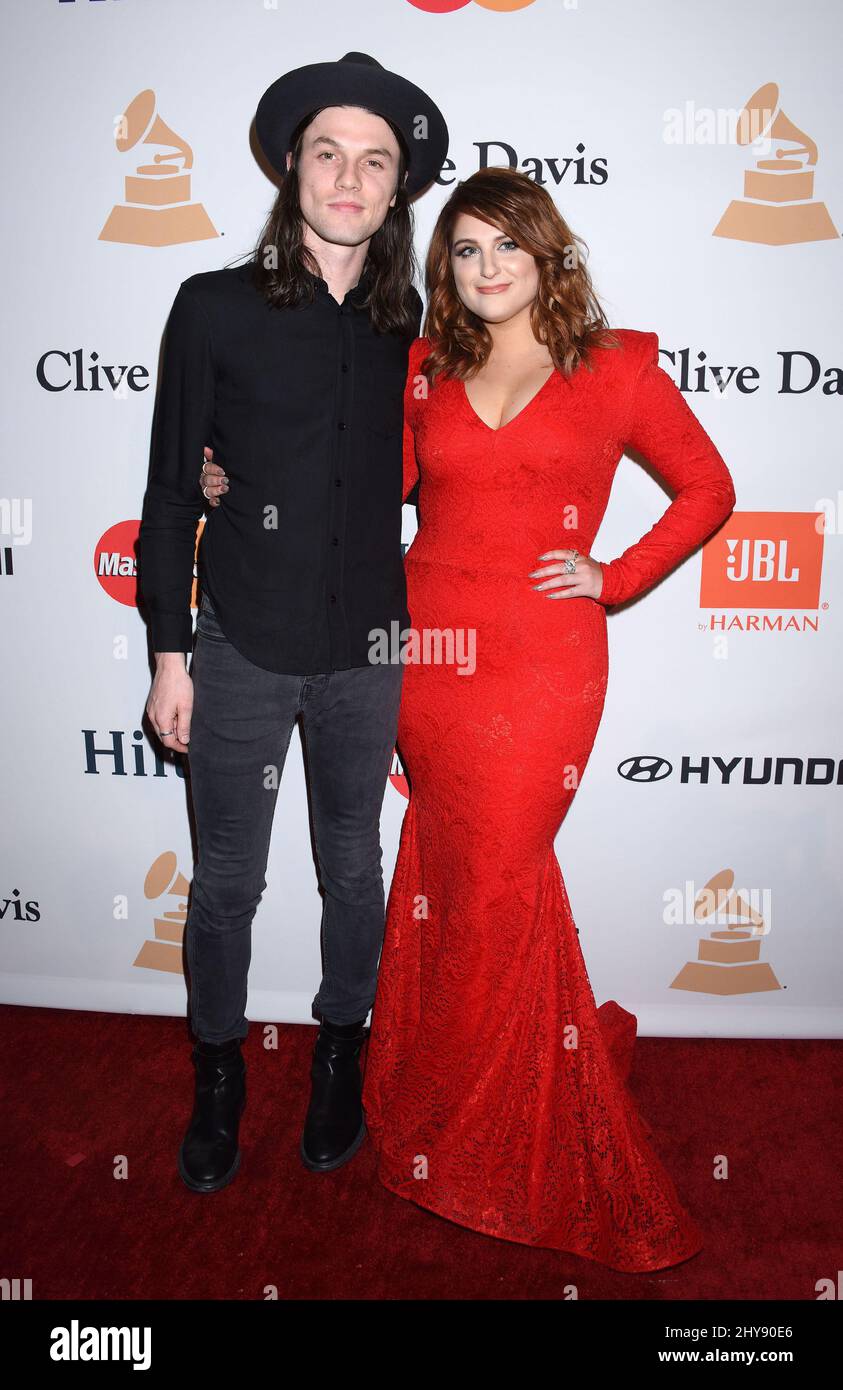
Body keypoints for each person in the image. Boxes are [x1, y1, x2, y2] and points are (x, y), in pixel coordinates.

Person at [209, 165, 737, 1271]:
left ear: (548, 253)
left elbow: (708, 488)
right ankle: (434, 1078)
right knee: (445, 867)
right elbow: (359, 489)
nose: (486, 267)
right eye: (464, 250)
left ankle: (496, 1118)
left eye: (507, 246)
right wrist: (237, 476)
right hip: (428, 651)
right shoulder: (422, 369)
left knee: (498, 872)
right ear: (444, 267)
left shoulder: (620, 363)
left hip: (543, 664)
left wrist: (615, 574)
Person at [137, 52, 448, 1194]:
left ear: (396, 185)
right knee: (227, 882)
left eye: (375, 159)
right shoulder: (210, 308)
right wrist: (170, 655)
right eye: (330, 153)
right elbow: (173, 493)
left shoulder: (415, 323)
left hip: (370, 639)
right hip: (242, 639)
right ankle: (218, 1074)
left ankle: (338, 1060)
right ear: (292, 168)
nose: (350, 176)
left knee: (353, 868)